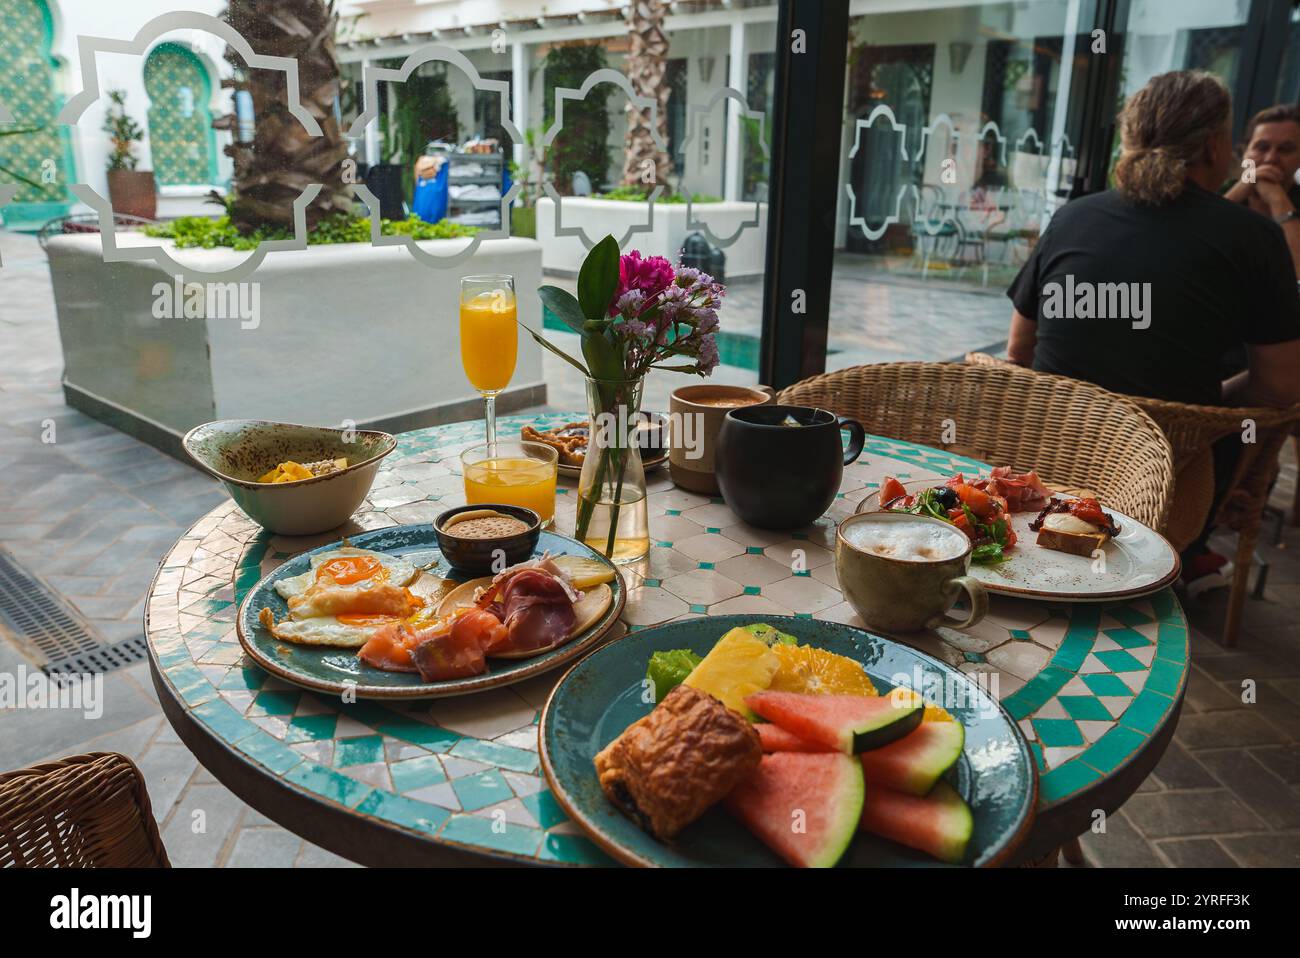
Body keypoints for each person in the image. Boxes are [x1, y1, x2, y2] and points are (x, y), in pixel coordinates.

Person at [1003, 70, 1300, 595]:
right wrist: (1207, 407)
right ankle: (1188, 558)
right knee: (1234, 424)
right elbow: (1280, 388)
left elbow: (1018, 352)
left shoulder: (1071, 218)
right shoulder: (1254, 237)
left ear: (1131, 137)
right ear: (1213, 147)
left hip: (1052, 457)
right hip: (1167, 477)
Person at [1223, 104, 1300, 275]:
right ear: (1245, 151)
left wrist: (1277, 200)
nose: (1271, 158)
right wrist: (1243, 187)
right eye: (1262, 147)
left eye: (1285, 150)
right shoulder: (1218, 191)